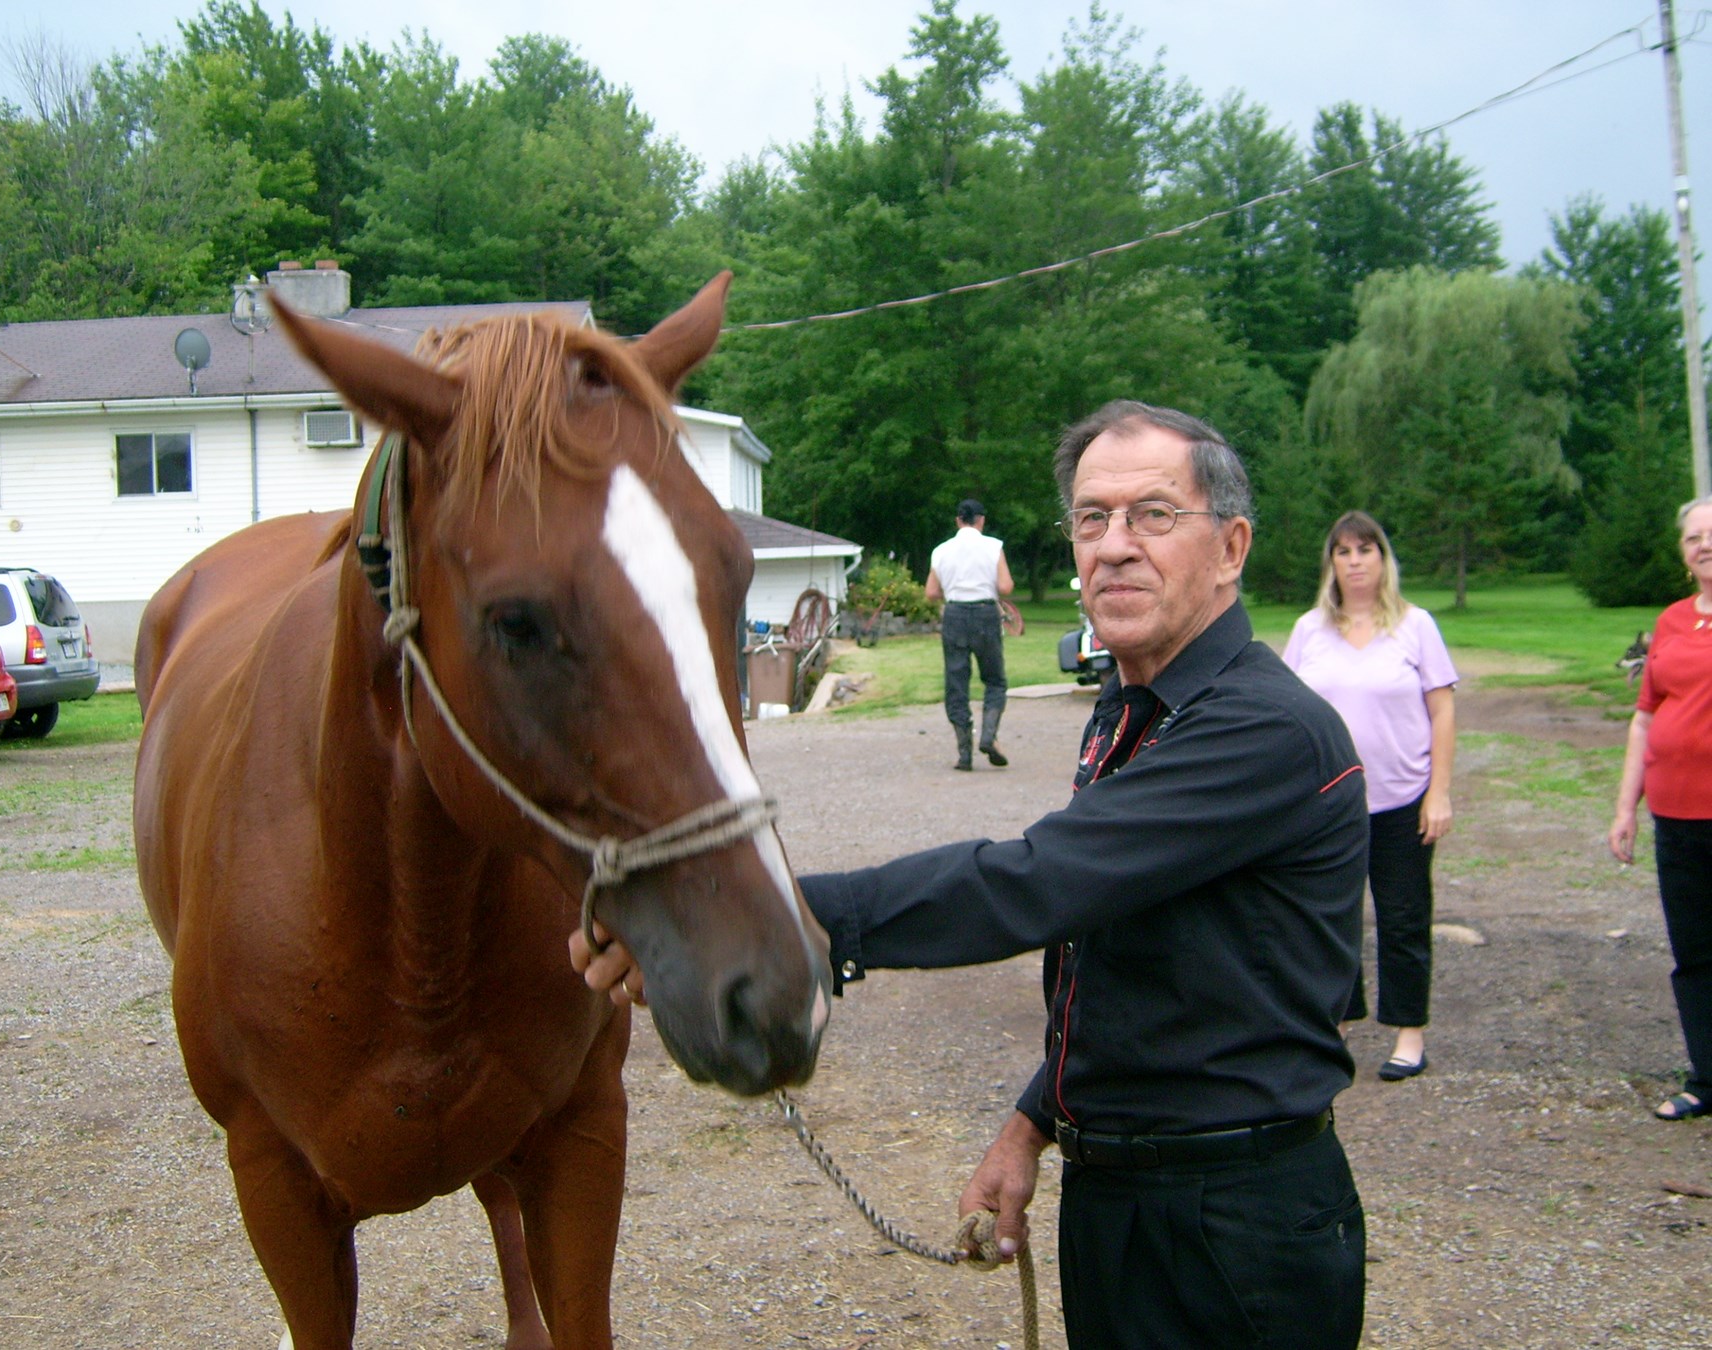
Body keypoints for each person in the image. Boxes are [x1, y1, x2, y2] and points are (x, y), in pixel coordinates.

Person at [577, 401, 1370, 1348]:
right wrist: (1032, 1126)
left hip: (1234, 1223)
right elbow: (1128, 964)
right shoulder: (1134, 706)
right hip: (1122, 1199)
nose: (1114, 546)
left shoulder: (1264, 729)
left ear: (1231, 547)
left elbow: (1034, 883)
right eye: (1091, 518)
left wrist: (768, 921)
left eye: (1154, 515)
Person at [1283, 511, 1458, 1083]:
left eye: (1366, 550)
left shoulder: (1415, 625)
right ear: (1331, 563)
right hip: (1330, 805)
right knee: (1330, 919)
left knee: (1404, 916)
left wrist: (1439, 793)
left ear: (1383, 558)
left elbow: (1442, 710)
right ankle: (1336, 1023)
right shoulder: (1310, 630)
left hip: (1403, 799)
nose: (1355, 561)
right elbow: (1289, 713)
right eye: (1344, 551)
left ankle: (1409, 1033)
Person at [1609, 495, 1712, 1122]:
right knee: (1695, 953)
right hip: (1676, 816)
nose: (1705, 545)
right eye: (1694, 537)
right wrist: (1626, 808)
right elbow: (1645, 718)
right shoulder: (1672, 620)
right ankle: (1706, 1078)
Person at [926, 498, 1015, 770]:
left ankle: (964, 753)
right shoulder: (993, 546)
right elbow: (1006, 587)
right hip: (985, 614)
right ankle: (988, 735)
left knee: (956, 683)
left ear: (958, 520)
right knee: (994, 680)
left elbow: (931, 592)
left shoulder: (941, 550)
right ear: (981, 520)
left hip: (954, 615)